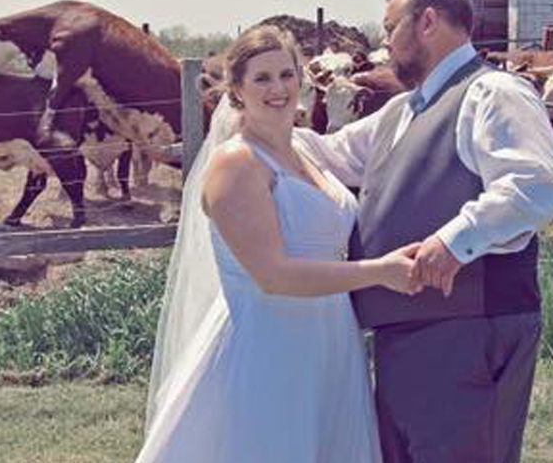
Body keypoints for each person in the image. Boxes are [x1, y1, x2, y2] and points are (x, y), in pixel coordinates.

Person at [134, 25, 420, 463]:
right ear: (236, 90)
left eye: (286, 74)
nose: (278, 88)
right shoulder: (237, 162)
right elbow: (273, 275)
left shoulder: (306, 150)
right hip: (268, 345)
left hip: (329, 339)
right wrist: (380, 272)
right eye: (262, 78)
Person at [308, 0, 553, 463]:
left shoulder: (494, 93)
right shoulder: (401, 111)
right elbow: (328, 154)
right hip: (405, 331)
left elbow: (535, 185)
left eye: (388, 27)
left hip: (471, 326)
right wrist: (252, 130)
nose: (382, 43)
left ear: (427, 22)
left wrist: (451, 241)